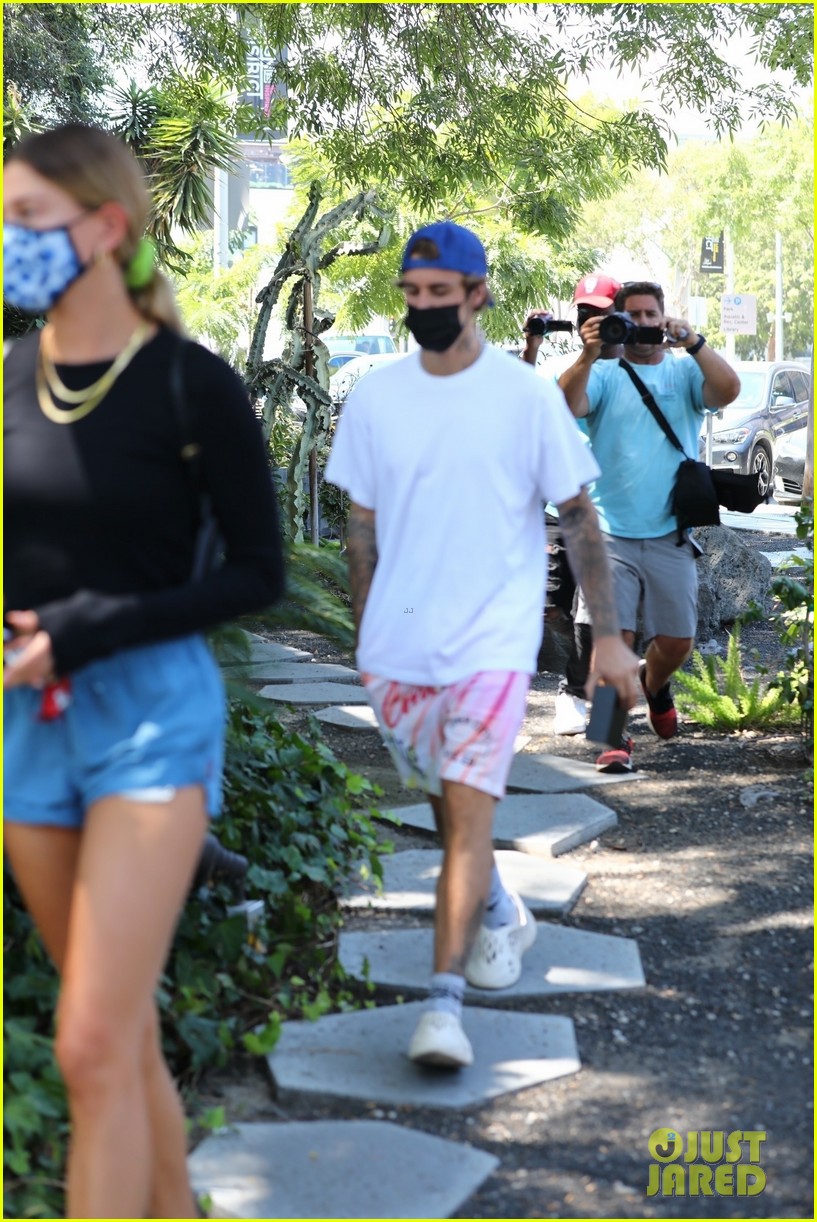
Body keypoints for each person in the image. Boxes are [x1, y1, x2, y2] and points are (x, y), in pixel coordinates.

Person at [3, 124, 285, 1219]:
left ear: (106, 225)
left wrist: (91, 627)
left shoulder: (189, 385)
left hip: (150, 724)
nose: (8, 240)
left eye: (27, 219)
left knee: (86, 1043)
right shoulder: (11, 376)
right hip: (30, 723)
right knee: (115, 1042)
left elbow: (258, 574)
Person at [325, 220, 639, 1069]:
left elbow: (575, 514)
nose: (425, 307)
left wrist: (605, 636)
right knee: (448, 809)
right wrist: (364, 637)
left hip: (490, 642)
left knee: (465, 818)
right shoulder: (376, 396)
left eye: (441, 293)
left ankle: (441, 1007)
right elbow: (361, 527)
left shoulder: (523, 395)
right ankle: (499, 910)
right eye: (413, 295)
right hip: (398, 649)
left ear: (477, 292)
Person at [558, 279, 740, 772]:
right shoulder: (603, 374)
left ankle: (652, 685)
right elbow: (561, 408)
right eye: (631, 315)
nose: (640, 324)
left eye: (648, 315)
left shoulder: (684, 374)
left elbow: (728, 389)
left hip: (669, 534)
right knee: (607, 640)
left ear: (663, 319)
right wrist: (587, 355)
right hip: (610, 535)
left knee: (677, 641)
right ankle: (609, 740)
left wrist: (696, 343)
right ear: (619, 321)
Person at [520, 275, 623, 736]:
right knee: (559, 608)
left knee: (608, 616)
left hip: (625, 518)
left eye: (601, 312)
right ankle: (590, 697)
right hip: (563, 508)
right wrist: (532, 346)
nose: (591, 321)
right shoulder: (569, 366)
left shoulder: (643, 364)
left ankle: (602, 715)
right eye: (584, 312)